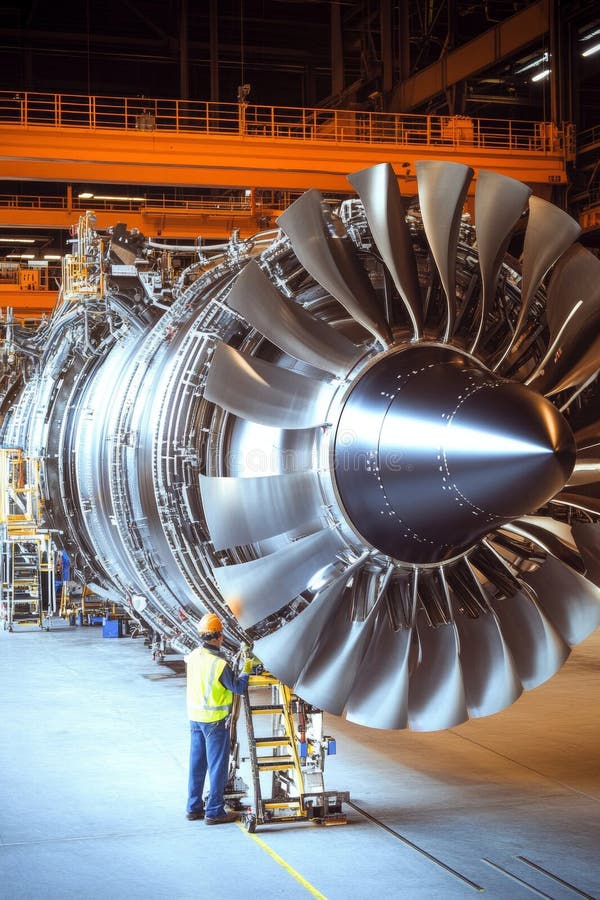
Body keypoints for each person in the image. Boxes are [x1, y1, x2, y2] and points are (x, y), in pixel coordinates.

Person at [185, 612, 253, 825]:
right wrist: (247, 667)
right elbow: (238, 688)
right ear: (218, 636)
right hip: (214, 721)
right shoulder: (219, 665)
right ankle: (214, 811)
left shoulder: (194, 655)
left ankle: (193, 808)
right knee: (217, 767)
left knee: (197, 765)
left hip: (195, 718)